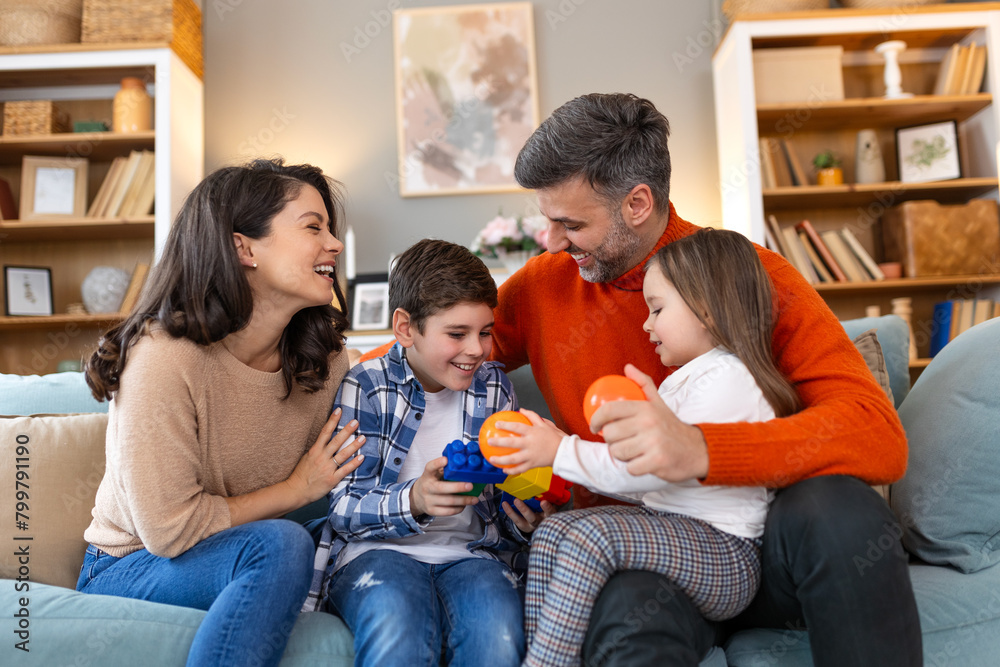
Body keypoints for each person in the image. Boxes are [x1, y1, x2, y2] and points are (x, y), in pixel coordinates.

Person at [488, 93, 921, 666]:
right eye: (549, 221)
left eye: (571, 223)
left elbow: (875, 436)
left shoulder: (745, 279)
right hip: (652, 552)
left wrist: (700, 449)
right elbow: (438, 348)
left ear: (637, 202)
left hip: (765, 548)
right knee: (623, 606)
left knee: (837, 508)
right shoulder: (546, 284)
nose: (553, 241)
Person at [77, 158, 365, 667]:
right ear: (243, 247)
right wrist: (296, 490)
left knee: (369, 541)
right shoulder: (166, 358)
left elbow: (366, 466)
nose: (334, 244)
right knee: (281, 545)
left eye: (331, 229)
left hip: (231, 552)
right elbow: (170, 532)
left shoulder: (325, 357)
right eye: (313, 227)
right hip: (132, 565)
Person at [487, 228, 802, 666]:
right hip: (682, 534)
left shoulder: (730, 379)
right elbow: (645, 487)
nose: (646, 323)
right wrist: (566, 459)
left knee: (587, 538)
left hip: (726, 556)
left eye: (656, 309)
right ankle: (547, 654)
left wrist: (560, 450)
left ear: (707, 310)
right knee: (557, 531)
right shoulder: (683, 382)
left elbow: (649, 469)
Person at [306, 239, 553, 667]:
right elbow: (343, 507)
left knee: (498, 630)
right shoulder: (367, 385)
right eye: (457, 334)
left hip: (471, 554)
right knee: (397, 621)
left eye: (485, 332)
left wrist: (529, 519)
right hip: (377, 554)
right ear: (405, 328)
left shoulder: (495, 387)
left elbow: (502, 504)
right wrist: (415, 500)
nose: (476, 349)